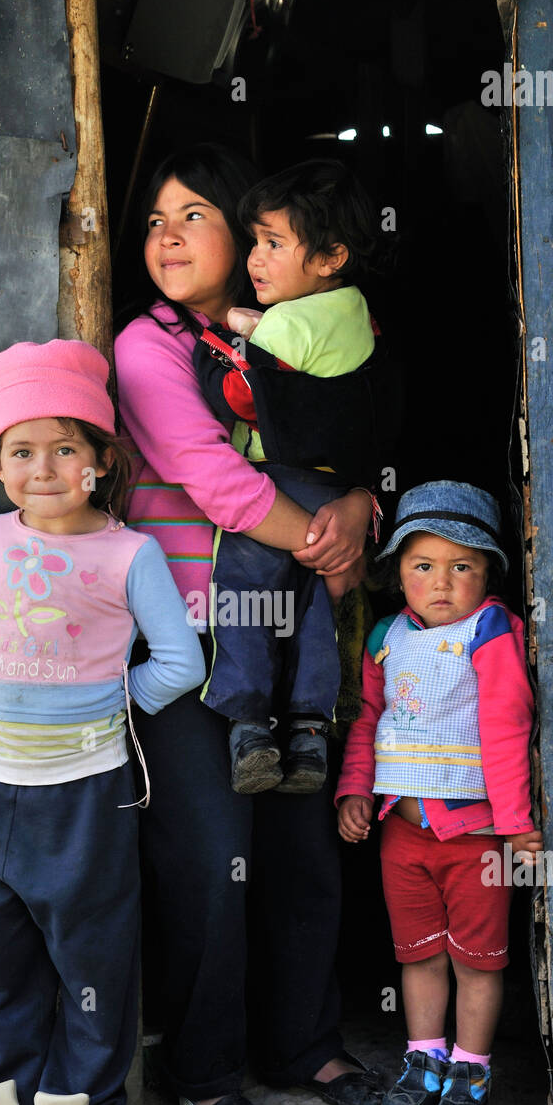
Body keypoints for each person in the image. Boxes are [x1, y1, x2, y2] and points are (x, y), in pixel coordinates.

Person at [114, 143, 385, 1105]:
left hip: (294, 634)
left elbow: (349, 439)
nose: (167, 236)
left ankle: (303, 1042)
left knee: (301, 847)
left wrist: (357, 497)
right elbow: (215, 482)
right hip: (192, 644)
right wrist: (331, 538)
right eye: (154, 220)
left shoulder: (300, 333)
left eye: (193, 216)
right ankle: (202, 1070)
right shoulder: (148, 349)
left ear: (252, 237)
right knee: (210, 857)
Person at [0, 338, 205, 1105]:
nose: (45, 468)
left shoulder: (129, 555)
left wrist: (106, 701)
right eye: (21, 451)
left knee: (89, 960)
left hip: (89, 793)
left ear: (102, 461)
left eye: (67, 448)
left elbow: (178, 661)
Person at [336, 481, 543, 1105]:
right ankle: (422, 1062)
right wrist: (354, 792)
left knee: (476, 960)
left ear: (488, 574)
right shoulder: (386, 638)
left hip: (476, 836)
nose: (441, 582)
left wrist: (512, 823)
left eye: (462, 566)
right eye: (422, 566)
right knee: (419, 955)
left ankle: (471, 1071)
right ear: (397, 572)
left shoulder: (490, 631)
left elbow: (508, 725)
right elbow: (368, 720)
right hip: (403, 836)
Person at [191, 160, 386, 795]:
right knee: (313, 612)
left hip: (275, 489)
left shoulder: (308, 316)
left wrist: (231, 323)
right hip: (331, 494)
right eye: (254, 241)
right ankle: (308, 732)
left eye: (274, 244)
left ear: (331, 257)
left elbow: (260, 365)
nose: (255, 258)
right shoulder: (350, 313)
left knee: (245, 600)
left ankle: (249, 723)